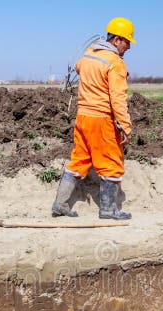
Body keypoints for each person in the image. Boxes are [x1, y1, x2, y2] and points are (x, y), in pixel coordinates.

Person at [51, 17, 136, 221]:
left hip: (83, 118)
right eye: (127, 41)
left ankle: (60, 204)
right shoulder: (115, 63)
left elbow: (79, 67)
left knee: (79, 160)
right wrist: (125, 125)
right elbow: (117, 98)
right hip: (102, 120)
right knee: (112, 163)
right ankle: (108, 210)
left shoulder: (89, 55)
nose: (129, 47)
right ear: (116, 40)